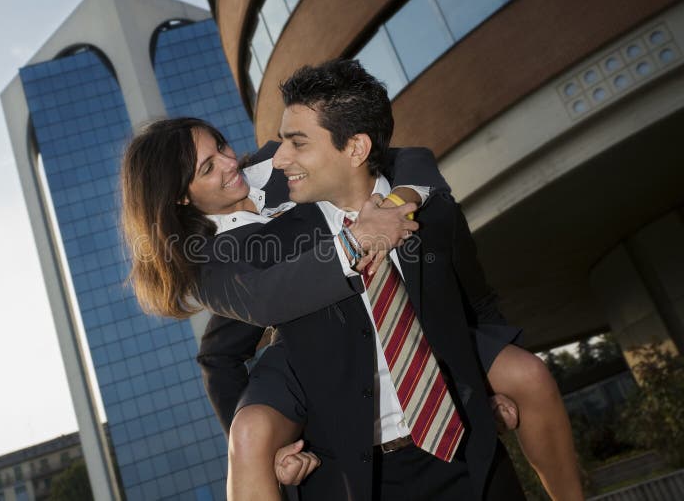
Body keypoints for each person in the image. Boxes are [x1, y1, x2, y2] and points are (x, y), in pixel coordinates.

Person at [120, 68, 581, 497]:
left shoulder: (276, 169)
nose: (227, 162)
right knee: (252, 434)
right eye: (207, 168)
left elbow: (405, 158)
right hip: (313, 350)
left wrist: (396, 204)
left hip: (407, 320)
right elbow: (249, 315)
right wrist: (272, 448)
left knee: (528, 374)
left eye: (220, 146)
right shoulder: (204, 261)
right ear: (181, 196)